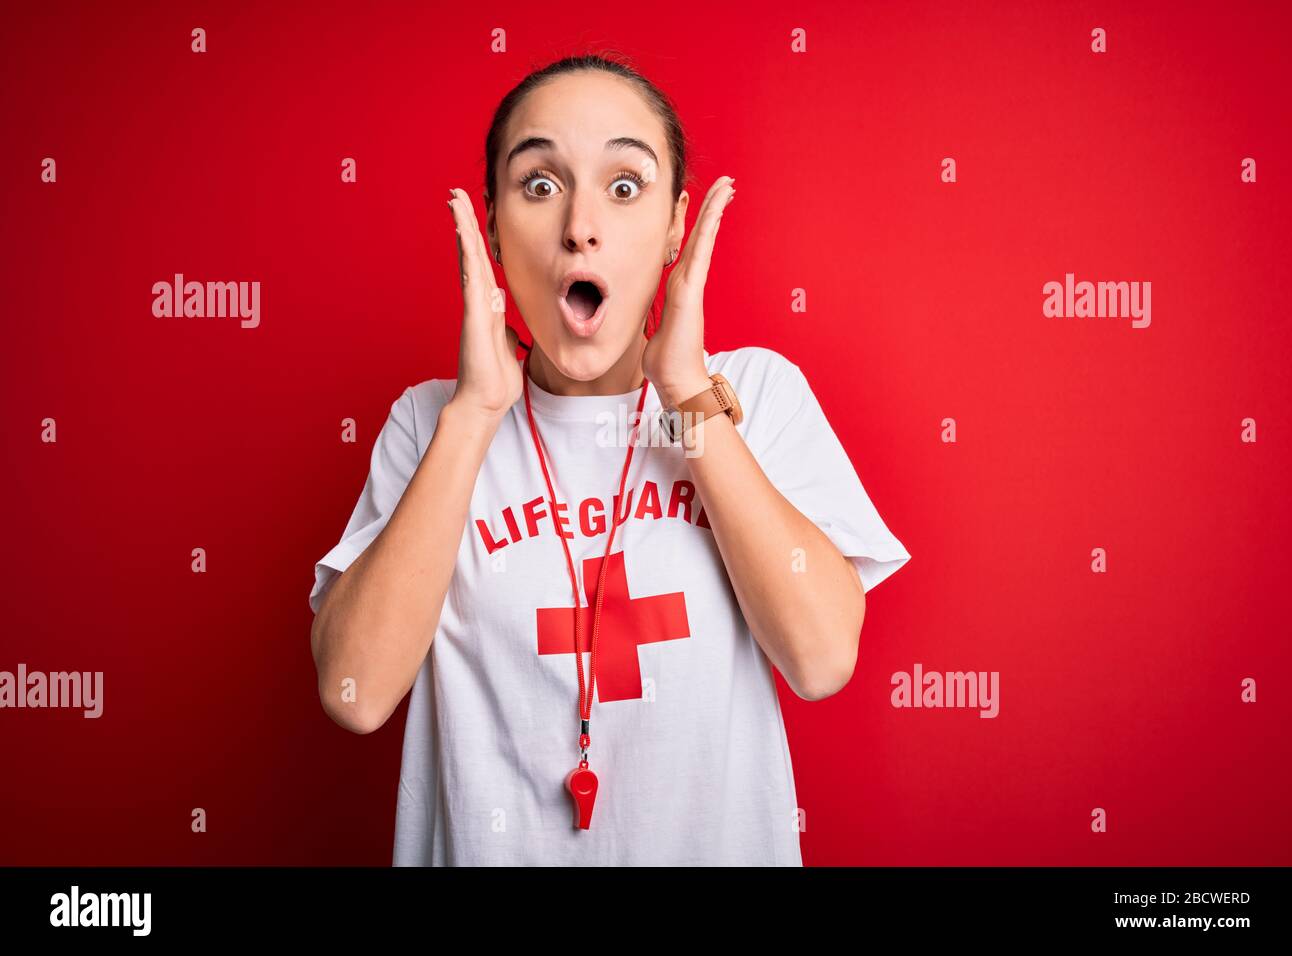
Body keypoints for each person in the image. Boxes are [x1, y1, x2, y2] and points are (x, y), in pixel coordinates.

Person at [308, 54, 911, 866]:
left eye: (624, 187)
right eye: (540, 185)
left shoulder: (754, 398)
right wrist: (476, 412)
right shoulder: (429, 424)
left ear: (674, 225)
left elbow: (822, 657)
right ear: (490, 227)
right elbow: (356, 692)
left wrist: (689, 394)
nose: (579, 226)